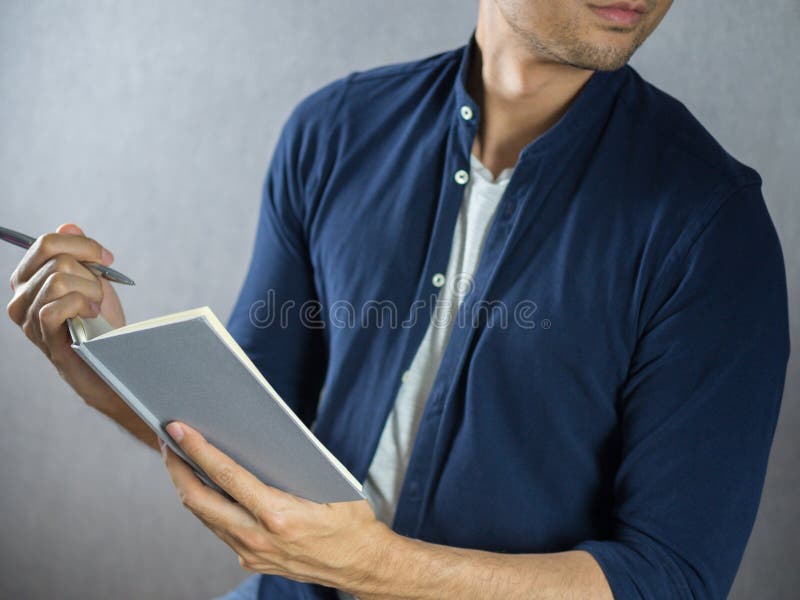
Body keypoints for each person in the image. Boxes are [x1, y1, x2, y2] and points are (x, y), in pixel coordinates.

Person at [7, 1, 790, 598]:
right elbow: (252, 435)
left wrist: (381, 567)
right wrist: (106, 368)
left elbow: (671, 578)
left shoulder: (713, 225)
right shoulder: (333, 132)